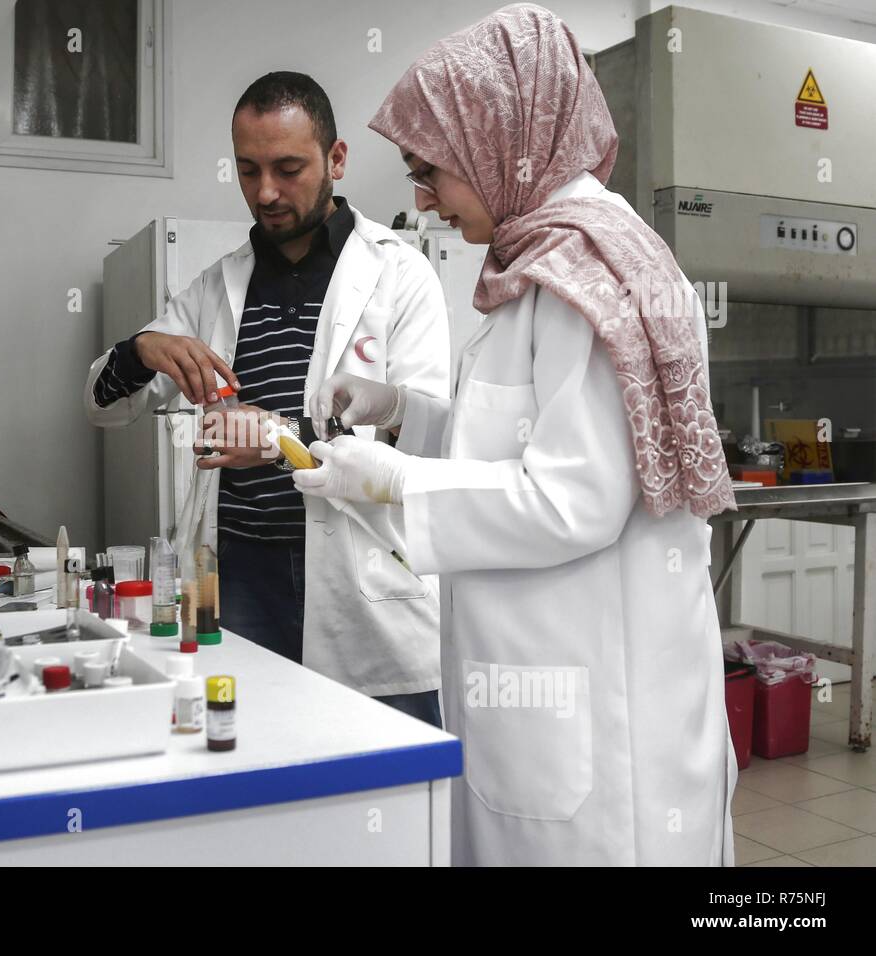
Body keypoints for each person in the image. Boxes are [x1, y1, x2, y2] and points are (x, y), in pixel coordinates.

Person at [293, 5, 739, 864]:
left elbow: (574, 499)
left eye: (433, 171)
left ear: (504, 140)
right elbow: (527, 444)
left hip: (598, 721)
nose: (421, 198)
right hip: (539, 688)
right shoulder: (538, 262)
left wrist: (390, 482)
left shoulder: (587, 276)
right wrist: (403, 413)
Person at [84, 72, 450, 723]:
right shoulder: (216, 285)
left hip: (362, 588)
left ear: (336, 159)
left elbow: (427, 445)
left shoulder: (399, 274)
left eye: (288, 168)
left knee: (379, 798)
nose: (266, 192)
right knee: (255, 775)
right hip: (240, 579)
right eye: (249, 170)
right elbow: (103, 406)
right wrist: (139, 353)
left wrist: (281, 442)